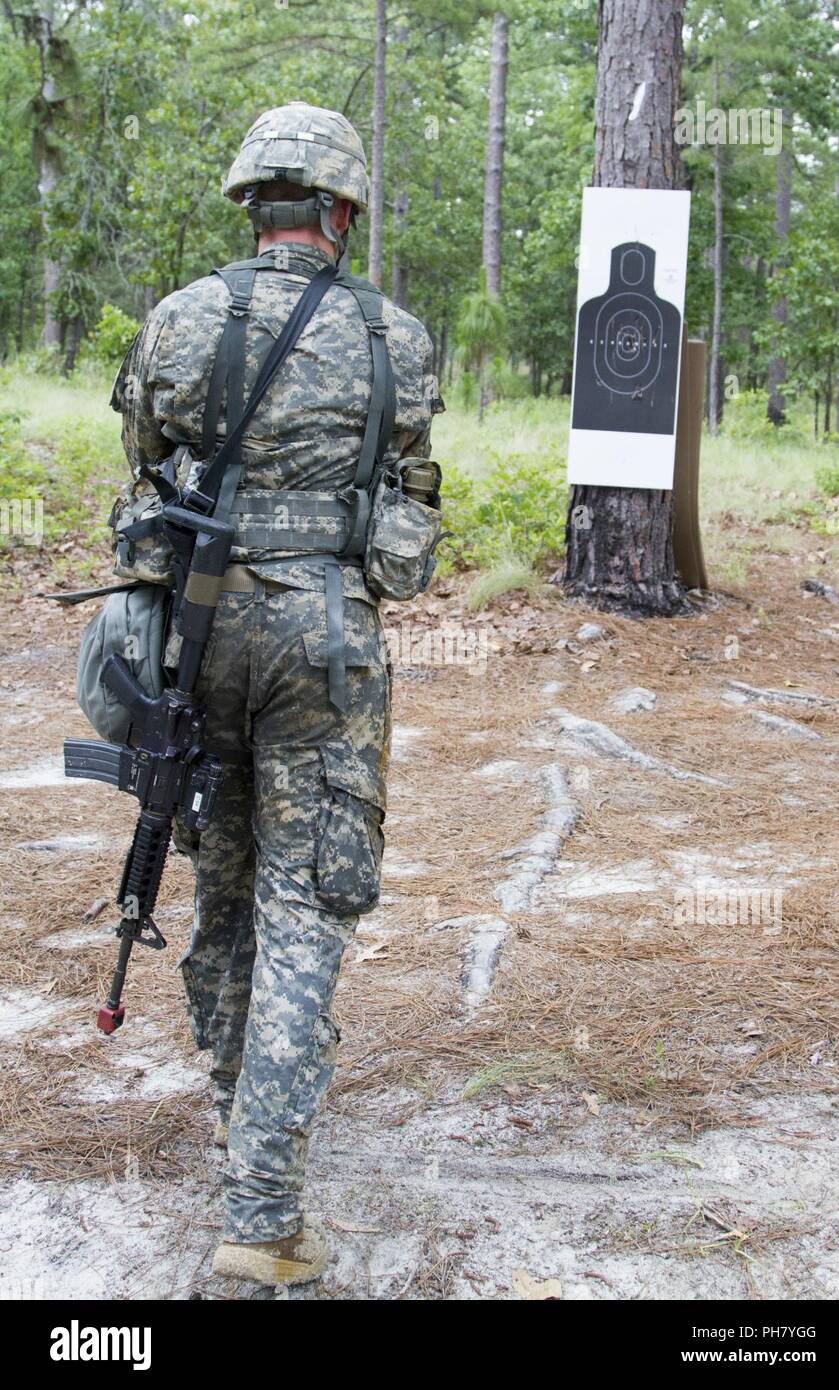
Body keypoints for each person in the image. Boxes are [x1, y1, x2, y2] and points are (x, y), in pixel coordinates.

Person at [111, 103, 444, 1286]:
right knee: (307, 903)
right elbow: (408, 506)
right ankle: (260, 1215)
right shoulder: (393, 336)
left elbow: (144, 474)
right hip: (324, 643)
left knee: (223, 877)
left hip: (200, 633)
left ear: (252, 201)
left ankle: (229, 1100)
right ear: (342, 211)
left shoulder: (178, 318)